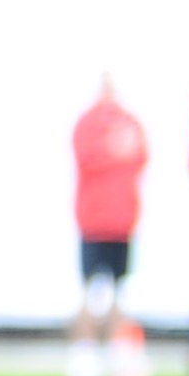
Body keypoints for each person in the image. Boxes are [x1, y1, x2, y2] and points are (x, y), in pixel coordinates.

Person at [71, 74, 147, 360]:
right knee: (87, 290)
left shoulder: (131, 123)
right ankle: (85, 350)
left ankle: (119, 349)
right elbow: (86, 157)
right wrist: (111, 148)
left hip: (122, 222)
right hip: (93, 221)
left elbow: (140, 158)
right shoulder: (87, 123)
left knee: (120, 290)